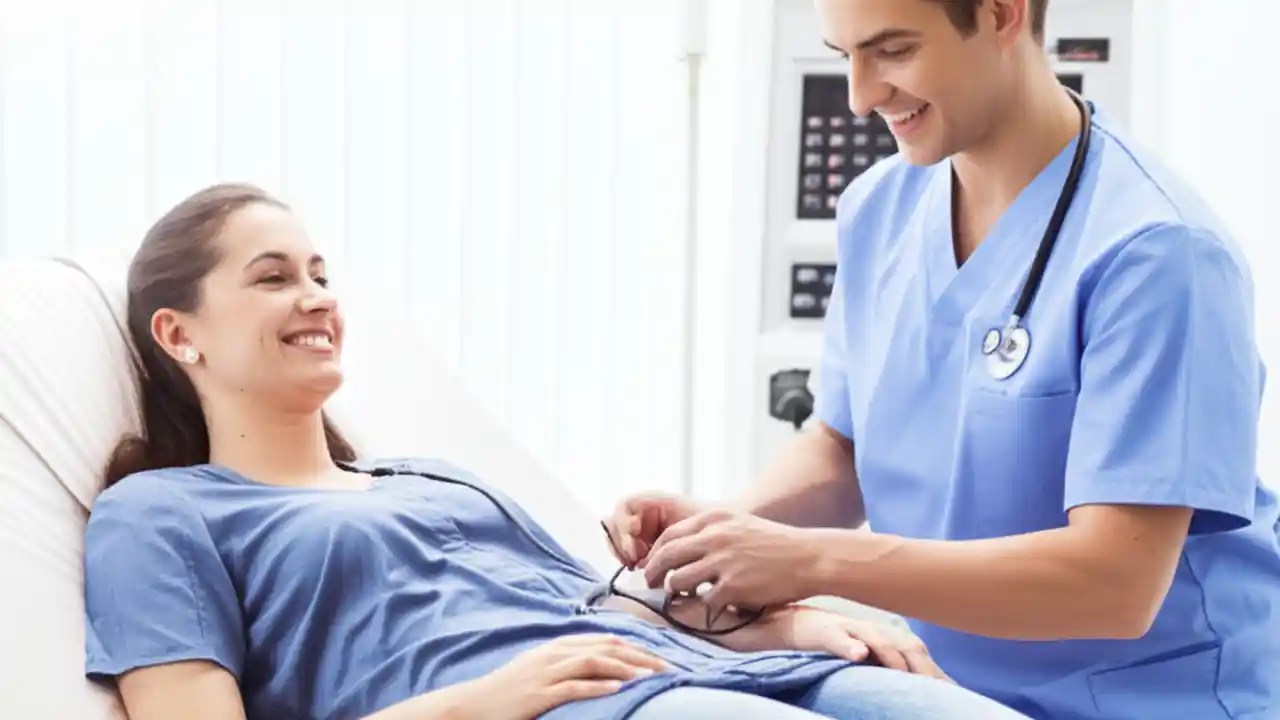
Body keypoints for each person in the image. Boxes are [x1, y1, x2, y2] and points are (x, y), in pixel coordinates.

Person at [81, 183, 1030, 720]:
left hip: (691, 670)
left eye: (320, 274)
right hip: (582, 708)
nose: (317, 297)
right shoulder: (160, 512)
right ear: (179, 334)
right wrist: (485, 701)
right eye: (273, 278)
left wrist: (791, 628)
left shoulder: (434, 480)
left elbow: (605, 606)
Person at [605, 1, 1280, 718]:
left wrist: (809, 561)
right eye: (844, 56)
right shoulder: (879, 207)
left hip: (1154, 700)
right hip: (951, 691)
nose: (861, 97)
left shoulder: (1159, 254)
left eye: (892, 52)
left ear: (1002, 13)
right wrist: (719, 537)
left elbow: (1117, 584)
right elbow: (843, 450)